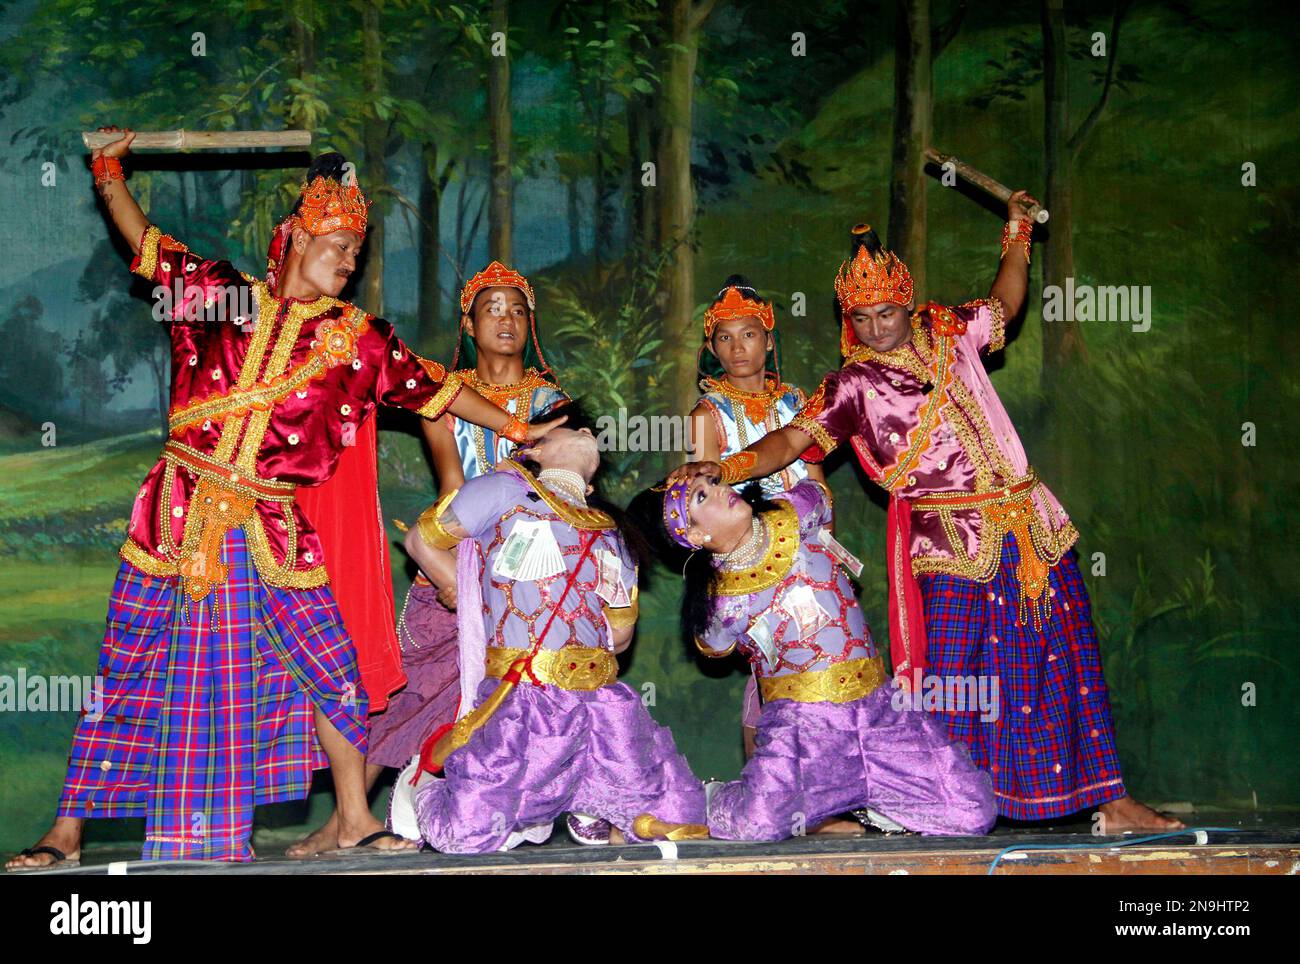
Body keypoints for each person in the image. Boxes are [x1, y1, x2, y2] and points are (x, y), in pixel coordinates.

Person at [6, 128, 561, 870]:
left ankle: (356, 816)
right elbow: (150, 248)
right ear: (297, 237)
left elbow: (440, 387)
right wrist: (109, 174)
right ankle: (65, 833)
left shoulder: (358, 341)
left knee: (332, 664)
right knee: (128, 663)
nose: (351, 260)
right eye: (340, 245)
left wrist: (517, 424)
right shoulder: (220, 299)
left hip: (271, 520)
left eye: (359, 252)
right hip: (177, 512)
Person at [668, 193, 1182, 832]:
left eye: (887, 313)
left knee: (1069, 663)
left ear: (907, 303)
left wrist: (1017, 232)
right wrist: (731, 467)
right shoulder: (849, 386)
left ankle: (1112, 799)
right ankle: (954, 802)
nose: (878, 328)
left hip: (1028, 520)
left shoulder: (950, 331)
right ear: (846, 319)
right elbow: (793, 442)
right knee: (961, 680)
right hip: (950, 541)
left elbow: (1009, 302)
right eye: (862, 318)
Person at [285, 261, 569, 856]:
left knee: (546, 694)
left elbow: (563, 496)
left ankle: (551, 813)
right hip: (453, 561)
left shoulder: (552, 400)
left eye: (518, 310)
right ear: (469, 321)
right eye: (492, 309)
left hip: (534, 575)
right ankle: (345, 820)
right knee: (403, 695)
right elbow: (451, 484)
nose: (507, 321)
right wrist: (454, 576)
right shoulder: (443, 397)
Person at [409, 418, 708, 852]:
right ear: (535, 451)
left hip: (602, 704)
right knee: (467, 832)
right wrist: (469, 594)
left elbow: (620, 638)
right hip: (522, 701)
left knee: (677, 819)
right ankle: (424, 793)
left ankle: (596, 801)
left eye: (590, 432)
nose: (587, 434)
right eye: (572, 432)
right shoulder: (501, 490)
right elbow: (422, 540)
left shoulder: (613, 532)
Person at [645, 470, 995, 840]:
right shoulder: (722, 603)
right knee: (757, 824)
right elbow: (713, 644)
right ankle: (719, 796)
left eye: (714, 484)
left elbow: (817, 485)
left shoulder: (794, 513)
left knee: (972, 813)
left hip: (881, 710)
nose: (720, 491)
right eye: (701, 498)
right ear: (697, 536)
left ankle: (882, 799)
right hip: (805, 729)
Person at [688, 277, 826, 759]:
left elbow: (818, 480)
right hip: (753, 559)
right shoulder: (708, 414)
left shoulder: (797, 402)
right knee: (771, 666)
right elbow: (703, 499)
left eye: (748, 334)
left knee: (822, 656)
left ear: (768, 339)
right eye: (724, 337)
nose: (737, 347)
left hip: (808, 548)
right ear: (712, 347)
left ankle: (818, 781)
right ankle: (766, 778)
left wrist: (819, 538)